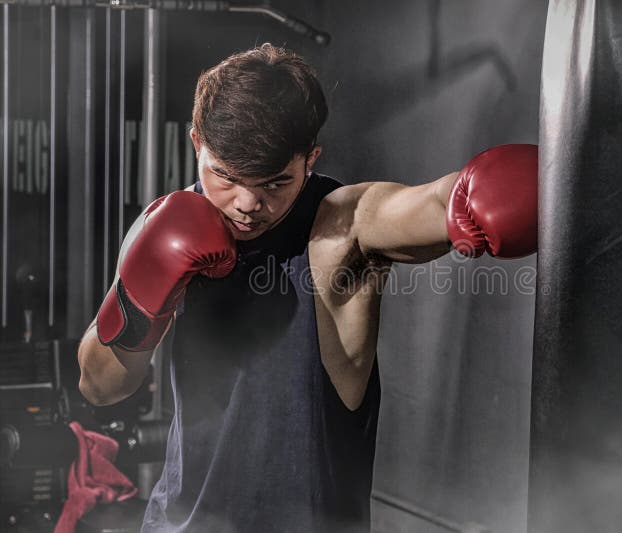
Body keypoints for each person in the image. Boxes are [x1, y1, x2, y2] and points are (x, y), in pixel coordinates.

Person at [76, 43, 537, 532]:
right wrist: (142, 298)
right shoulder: (163, 227)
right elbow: (100, 386)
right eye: (226, 177)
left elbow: (414, 206)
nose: (248, 203)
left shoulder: (340, 226)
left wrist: (466, 193)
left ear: (310, 158)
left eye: (276, 182)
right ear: (196, 143)